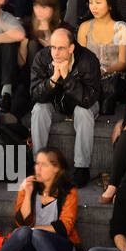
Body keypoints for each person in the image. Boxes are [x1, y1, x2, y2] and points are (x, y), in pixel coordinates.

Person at [29, 27, 101, 187]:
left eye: (61, 48)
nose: (55, 52)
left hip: (84, 105)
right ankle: (38, 163)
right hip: (57, 106)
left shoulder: (88, 60)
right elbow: (35, 95)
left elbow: (88, 99)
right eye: (53, 47)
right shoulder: (42, 58)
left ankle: (82, 168)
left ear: (71, 48)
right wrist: (53, 79)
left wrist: (67, 78)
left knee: (83, 113)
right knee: (39, 110)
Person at [0, 148, 81, 251]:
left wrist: (34, 229)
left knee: (37, 233)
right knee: (23, 231)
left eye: (43, 164)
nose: (38, 168)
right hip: (33, 247)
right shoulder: (27, 186)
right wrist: (28, 194)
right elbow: (21, 223)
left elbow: (65, 227)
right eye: (37, 163)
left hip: (59, 244)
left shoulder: (69, 191)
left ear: (56, 169)